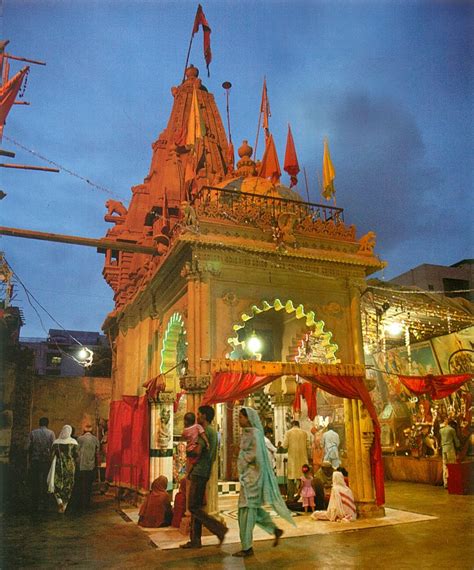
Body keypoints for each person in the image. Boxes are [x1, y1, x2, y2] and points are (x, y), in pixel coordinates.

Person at [233, 407, 295, 558]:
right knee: (250, 510)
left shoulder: (254, 434)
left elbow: (257, 457)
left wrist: (242, 458)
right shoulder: (249, 434)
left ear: (249, 419)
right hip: (249, 478)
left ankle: (247, 547)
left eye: (241, 417)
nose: (239, 420)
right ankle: (274, 530)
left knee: (247, 512)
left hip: (252, 480)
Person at [180, 405, 228, 549]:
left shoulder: (205, 432)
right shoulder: (213, 432)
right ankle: (195, 540)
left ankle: (218, 529)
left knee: (193, 506)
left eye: (199, 414)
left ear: (205, 416)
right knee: (197, 506)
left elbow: (198, 451)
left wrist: (188, 452)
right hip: (205, 471)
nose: (197, 417)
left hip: (199, 472)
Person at [47, 425, 78, 513]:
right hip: (70, 467)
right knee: (68, 484)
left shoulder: (56, 442)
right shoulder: (73, 442)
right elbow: (76, 455)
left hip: (58, 466)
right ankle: (65, 505)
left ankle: (59, 502)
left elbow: (52, 455)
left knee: (57, 483)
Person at [28, 417, 55, 512]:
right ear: (47, 424)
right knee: (45, 481)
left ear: (39, 423)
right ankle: (45, 503)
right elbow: (53, 447)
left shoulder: (33, 433)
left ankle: (35, 503)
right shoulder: (51, 433)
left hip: (35, 460)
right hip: (46, 460)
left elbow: (28, 447)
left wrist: (30, 459)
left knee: (35, 482)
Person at [282, 420, 308, 502]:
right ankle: (304, 498)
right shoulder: (304, 433)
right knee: (303, 479)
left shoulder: (288, 433)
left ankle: (290, 499)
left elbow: (284, 445)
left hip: (293, 461)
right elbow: (308, 445)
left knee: (291, 479)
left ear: (292, 425)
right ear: (298, 425)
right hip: (303, 460)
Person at [77, 424, 100, 510]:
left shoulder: (80, 439)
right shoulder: (95, 439)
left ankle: (82, 503)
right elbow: (97, 453)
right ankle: (87, 502)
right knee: (89, 485)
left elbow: (77, 452)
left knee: (82, 485)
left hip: (81, 465)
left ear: (84, 431)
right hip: (91, 465)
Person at [440, 417, 460, 488]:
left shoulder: (441, 430)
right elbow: (456, 441)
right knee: (452, 465)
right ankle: (453, 482)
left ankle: (446, 483)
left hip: (443, 449)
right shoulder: (451, 430)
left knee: (445, 466)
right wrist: (459, 446)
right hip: (450, 449)